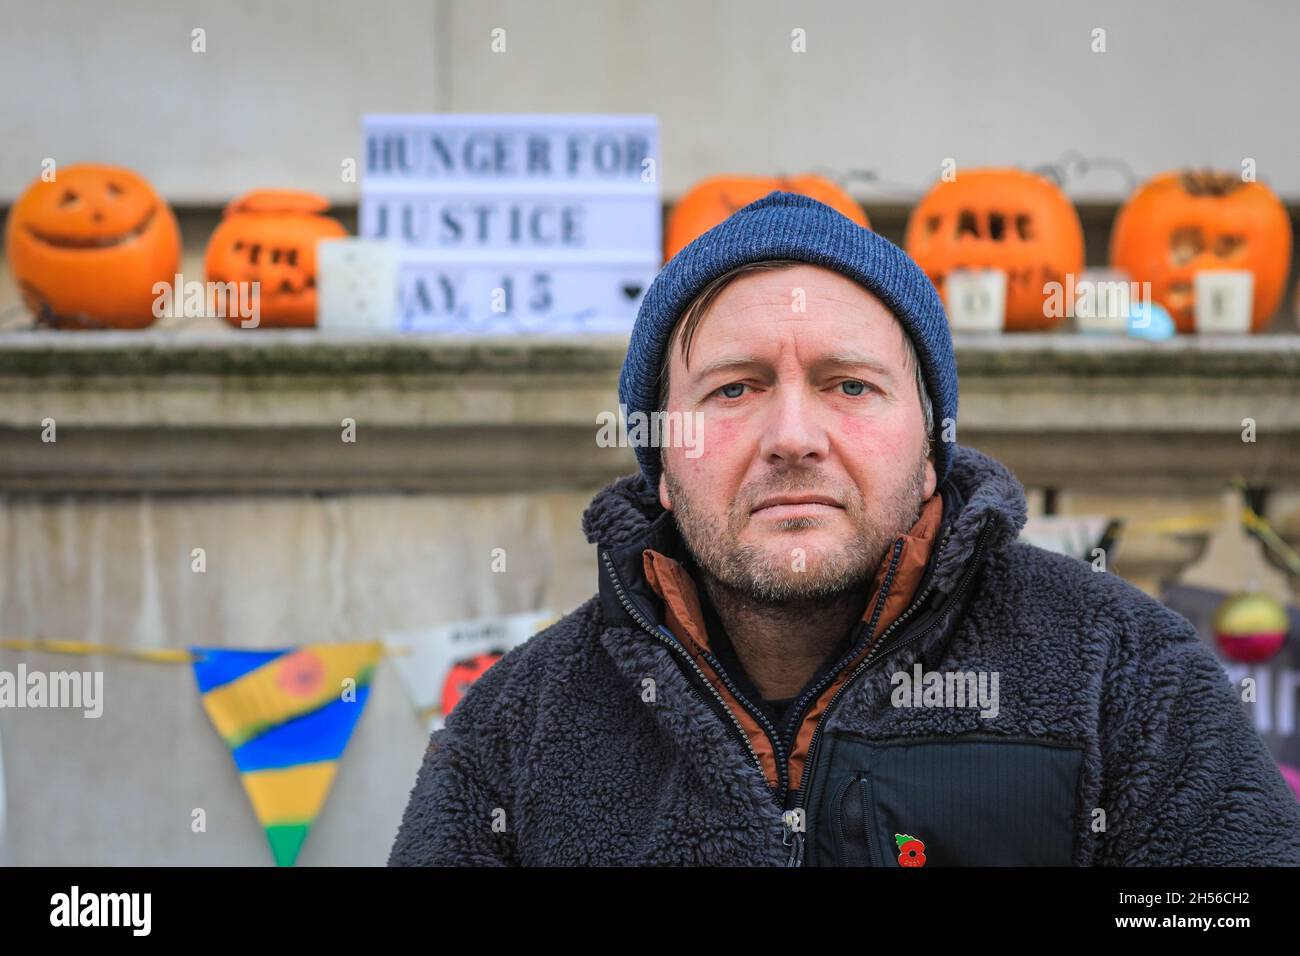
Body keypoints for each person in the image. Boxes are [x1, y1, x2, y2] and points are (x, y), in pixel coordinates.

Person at [389, 191, 1300, 866]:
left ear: (932, 448)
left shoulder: (1124, 672)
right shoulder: (511, 732)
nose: (793, 438)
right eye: (734, 389)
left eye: (849, 386)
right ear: (663, 460)